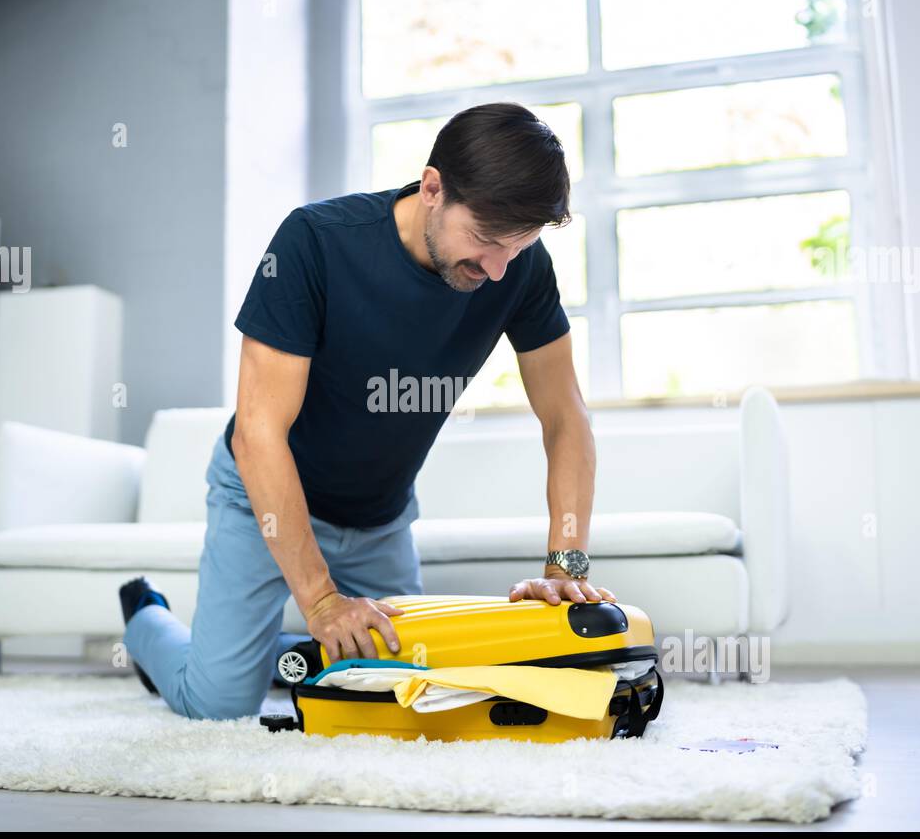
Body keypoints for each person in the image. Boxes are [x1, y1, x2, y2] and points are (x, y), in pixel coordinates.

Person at [120, 101, 616, 721]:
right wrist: (322, 600)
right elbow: (257, 434)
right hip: (262, 503)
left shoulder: (518, 269)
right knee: (217, 702)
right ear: (433, 187)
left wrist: (565, 565)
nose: (498, 271)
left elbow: (565, 418)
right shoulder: (315, 242)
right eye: (486, 242)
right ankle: (147, 618)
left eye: (516, 250)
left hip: (379, 520)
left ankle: (281, 652)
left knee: (405, 694)